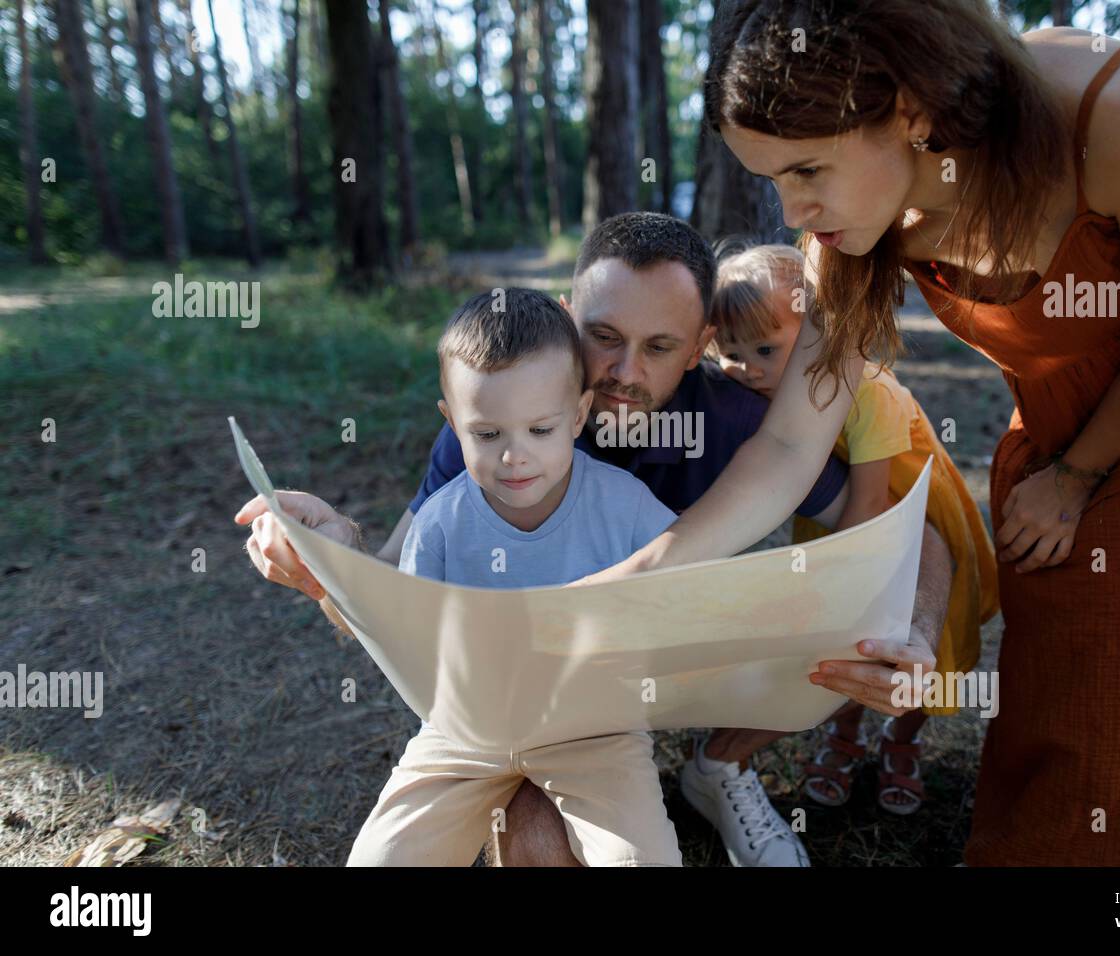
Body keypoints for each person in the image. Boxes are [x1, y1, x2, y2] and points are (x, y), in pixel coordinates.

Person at [575, 5, 1120, 866]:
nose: (793, 209)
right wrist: (640, 578)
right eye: (770, 177)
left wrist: (1075, 477)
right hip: (1089, 382)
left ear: (914, 110)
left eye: (807, 169)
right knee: (1064, 615)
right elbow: (786, 446)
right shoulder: (847, 230)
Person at [237, 212, 959, 866]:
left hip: (616, 723)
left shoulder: (739, 424)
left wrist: (917, 628)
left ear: (704, 345)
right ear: (566, 314)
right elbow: (395, 593)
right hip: (499, 713)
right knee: (536, 840)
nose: (623, 374)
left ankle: (718, 769)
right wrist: (329, 556)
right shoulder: (500, 425)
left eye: (659, 348)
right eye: (604, 338)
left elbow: (915, 537)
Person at [345, 287, 686, 866]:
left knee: (640, 862)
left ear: (578, 414)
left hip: (595, 731)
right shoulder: (440, 523)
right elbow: (405, 633)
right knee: (382, 860)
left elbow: (694, 588)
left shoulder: (627, 505)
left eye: (540, 430)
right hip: (466, 734)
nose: (514, 456)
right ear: (452, 424)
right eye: (487, 434)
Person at [704, 242, 997, 816]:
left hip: (907, 523)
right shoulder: (764, 392)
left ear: (817, 329)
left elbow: (868, 506)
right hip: (839, 529)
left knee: (908, 643)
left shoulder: (869, 394)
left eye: (766, 349)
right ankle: (844, 737)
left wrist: (825, 589)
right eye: (730, 353)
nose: (748, 369)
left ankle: (904, 741)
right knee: (855, 648)